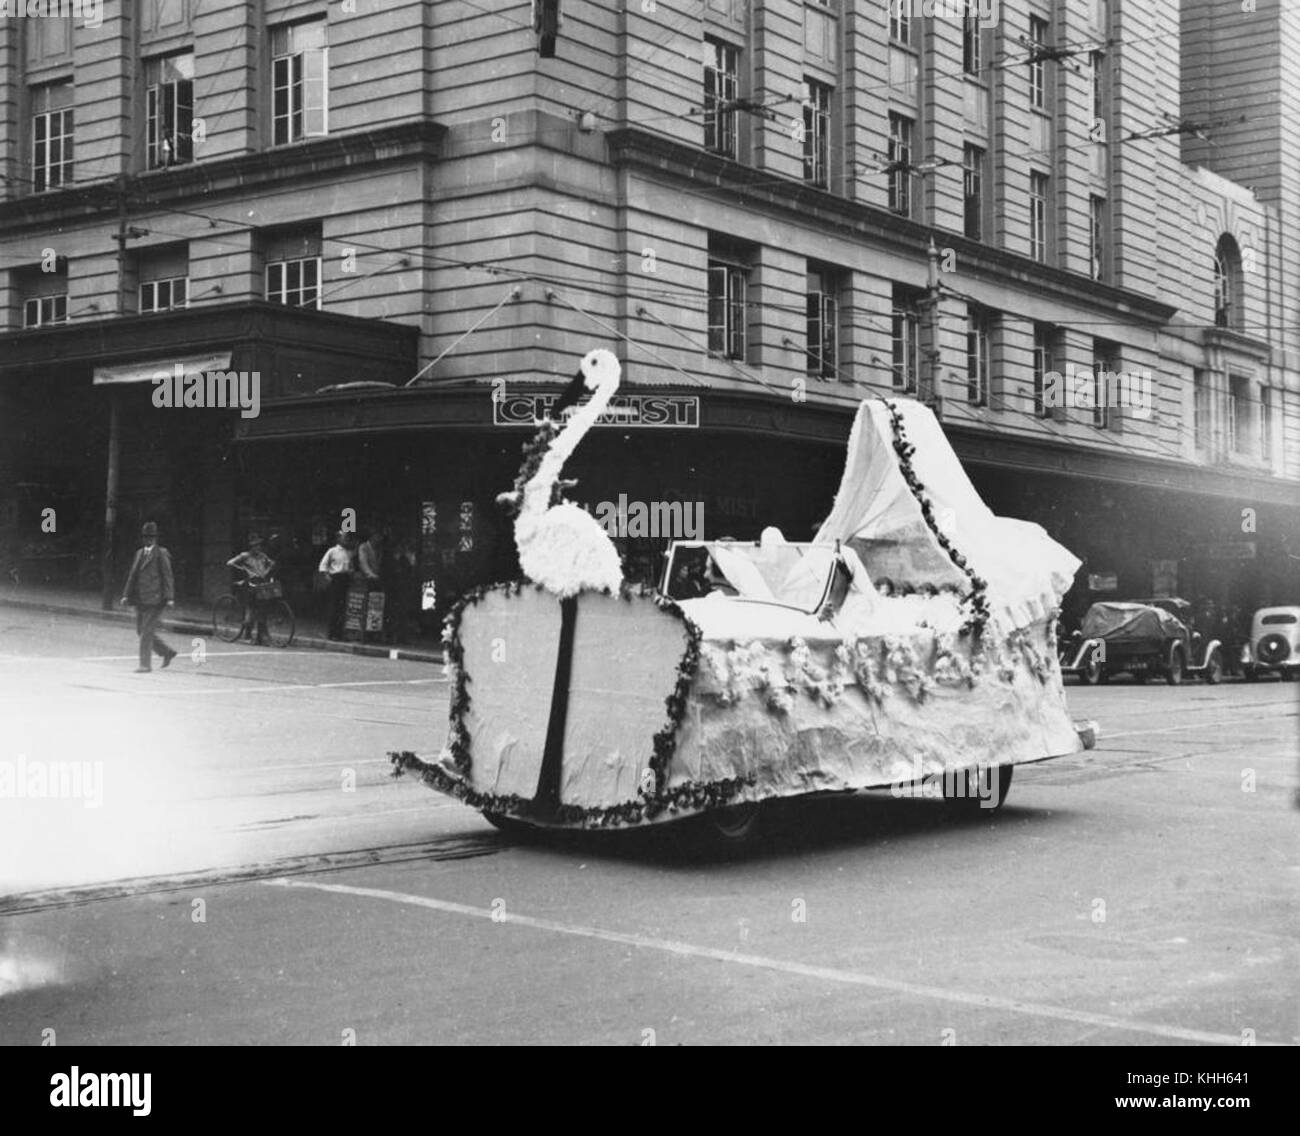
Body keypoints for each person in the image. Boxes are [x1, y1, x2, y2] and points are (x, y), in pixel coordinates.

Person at [119, 521, 177, 673]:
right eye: (145, 537)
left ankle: (145, 665)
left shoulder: (161, 553)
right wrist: (126, 595)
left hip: (155, 599)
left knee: (146, 632)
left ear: (155, 538)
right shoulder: (139, 553)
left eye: (151, 537)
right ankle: (166, 652)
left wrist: (169, 597)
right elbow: (132, 576)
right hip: (140, 598)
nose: (148, 540)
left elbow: (167, 576)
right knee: (141, 630)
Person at [227, 533, 276, 645]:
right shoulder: (245, 556)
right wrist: (243, 569)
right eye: (255, 546)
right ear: (251, 547)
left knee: (262, 608)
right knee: (251, 608)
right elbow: (230, 562)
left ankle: (260, 636)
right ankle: (247, 633)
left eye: (259, 546)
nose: (257, 548)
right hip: (249, 584)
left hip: (261, 584)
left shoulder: (263, 556)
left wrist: (267, 570)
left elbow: (271, 563)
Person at [318, 531, 356, 640]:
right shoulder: (332, 551)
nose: (346, 540)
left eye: (347, 538)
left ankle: (340, 633)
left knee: (343, 606)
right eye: (344, 538)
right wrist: (327, 576)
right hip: (336, 579)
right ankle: (332, 633)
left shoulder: (349, 552)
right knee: (335, 606)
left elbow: (351, 566)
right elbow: (323, 565)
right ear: (338, 539)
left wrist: (351, 572)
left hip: (345, 579)